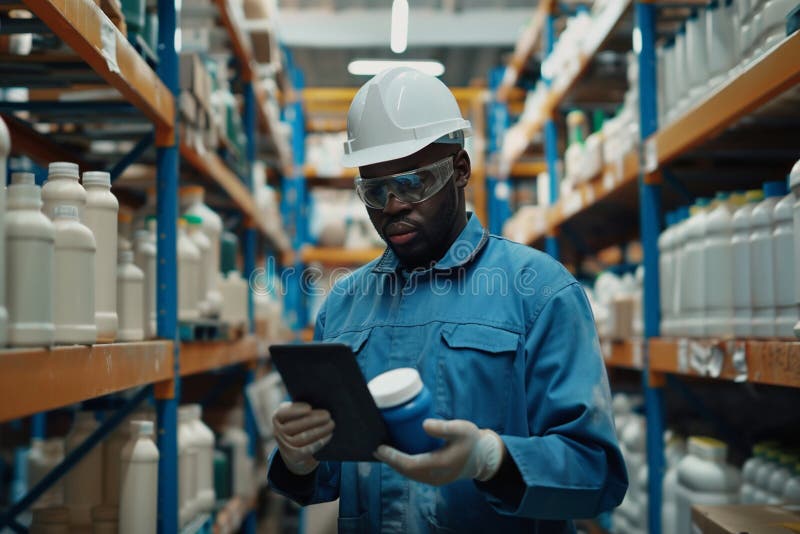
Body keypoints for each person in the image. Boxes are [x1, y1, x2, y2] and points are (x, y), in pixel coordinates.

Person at [268, 67, 627, 533]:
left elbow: (595, 470)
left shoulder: (538, 291)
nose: (393, 204)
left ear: (460, 171)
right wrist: (301, 458)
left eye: (414, 182)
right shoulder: (344, 307)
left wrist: (491, 459)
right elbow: (330, 474)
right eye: (375, 191)